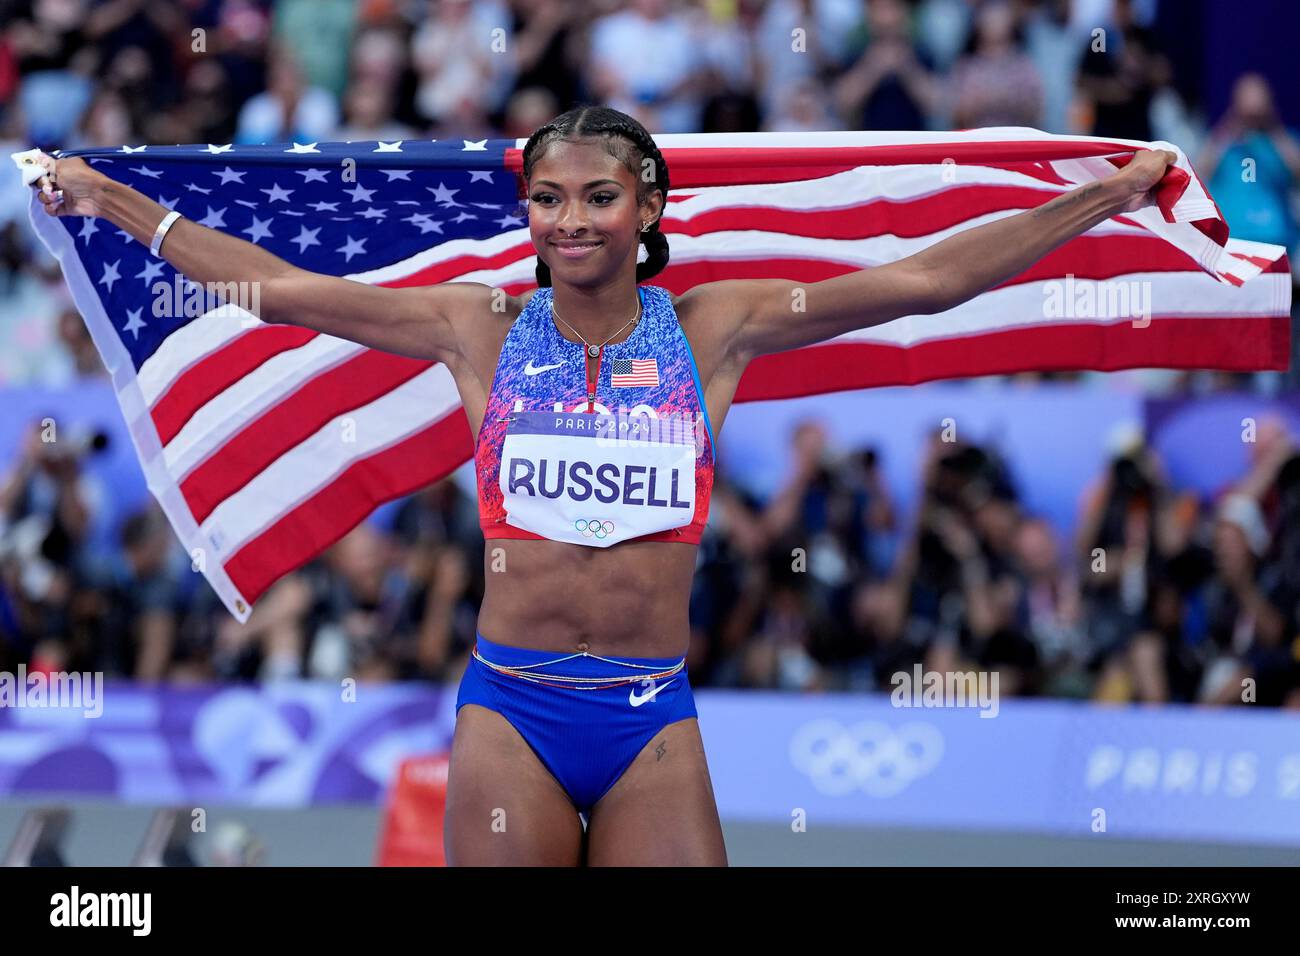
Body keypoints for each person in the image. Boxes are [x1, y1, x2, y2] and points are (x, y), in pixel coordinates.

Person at [31, 105, 1177, 865]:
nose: (568, 220)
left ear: (648, 208)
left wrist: (1104, 197)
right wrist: (115, 202)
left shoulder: (715, 328)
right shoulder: (470, 325)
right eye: (546, 199)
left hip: (649, 716)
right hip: (512, 709)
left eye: (595, 197)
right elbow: (276, 288)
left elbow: (925, 279)